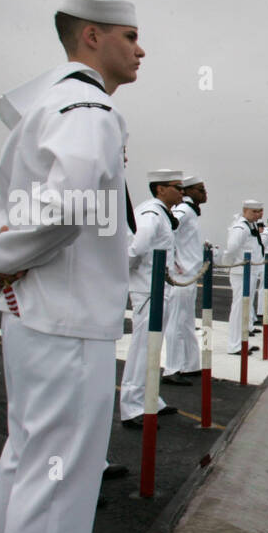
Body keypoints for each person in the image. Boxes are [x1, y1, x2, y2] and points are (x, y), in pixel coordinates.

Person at [0, 0, 152, 533]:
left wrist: (4, 253)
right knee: (56, 484)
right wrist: (10, 255)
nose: (141, 49)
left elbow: (14, 198)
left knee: (22, 469)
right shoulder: (91, 110)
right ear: (91, 38)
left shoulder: (53, 106)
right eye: (130, 36)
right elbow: (73, 201)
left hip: (39, 318)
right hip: (70, 319)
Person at [120, 169, 184, 421]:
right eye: (176, 187)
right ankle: (132, 405)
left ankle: (150, 398)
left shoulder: (163, 214)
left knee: (154, 348)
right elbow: (135, 249)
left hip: (159, 288)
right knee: (142, 348)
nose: (181, 191)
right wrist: (132, 278)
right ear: (160, 189)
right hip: (148, 290)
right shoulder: (151, 214)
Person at [163, 174, 207, 382]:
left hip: (190, 274)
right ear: (187, 191)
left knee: (187, 321)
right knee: (176, 322)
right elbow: (167, 231)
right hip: (182, 275)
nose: (204, 193)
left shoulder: (191, 211)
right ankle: (172, 368)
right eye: (199, 189)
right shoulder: (183, 210)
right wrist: (173, 262)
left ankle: (190, 364)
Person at [225, 201, 264, 354]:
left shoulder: (250, 226)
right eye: (254, 211)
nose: (258, 214)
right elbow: (231, 249)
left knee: (245, 308)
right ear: (245, 211)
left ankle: (242, 341)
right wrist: (230, 265)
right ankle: (234, 345)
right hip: (241, 272)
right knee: (239, 308)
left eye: (260, 211)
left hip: (250, 271)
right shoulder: (240, 227)